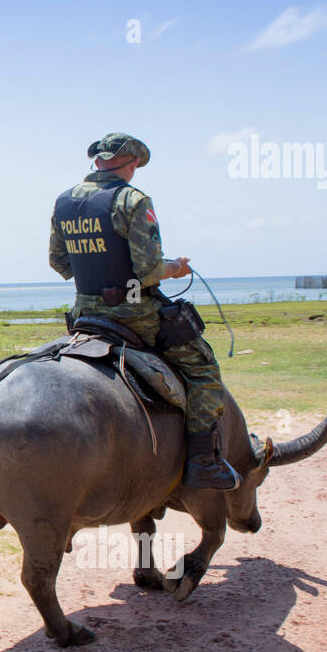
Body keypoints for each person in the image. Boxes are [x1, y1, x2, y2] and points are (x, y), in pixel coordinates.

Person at [48, 133, 240, 490]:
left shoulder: (64, 202)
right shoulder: (133, 200)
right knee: (204, 371)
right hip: (136, 315)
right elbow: (149, 270)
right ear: (133, 163)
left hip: (85, 315)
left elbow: (59, 264)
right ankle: (202, 461)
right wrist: (176, 268)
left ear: (97, 161)